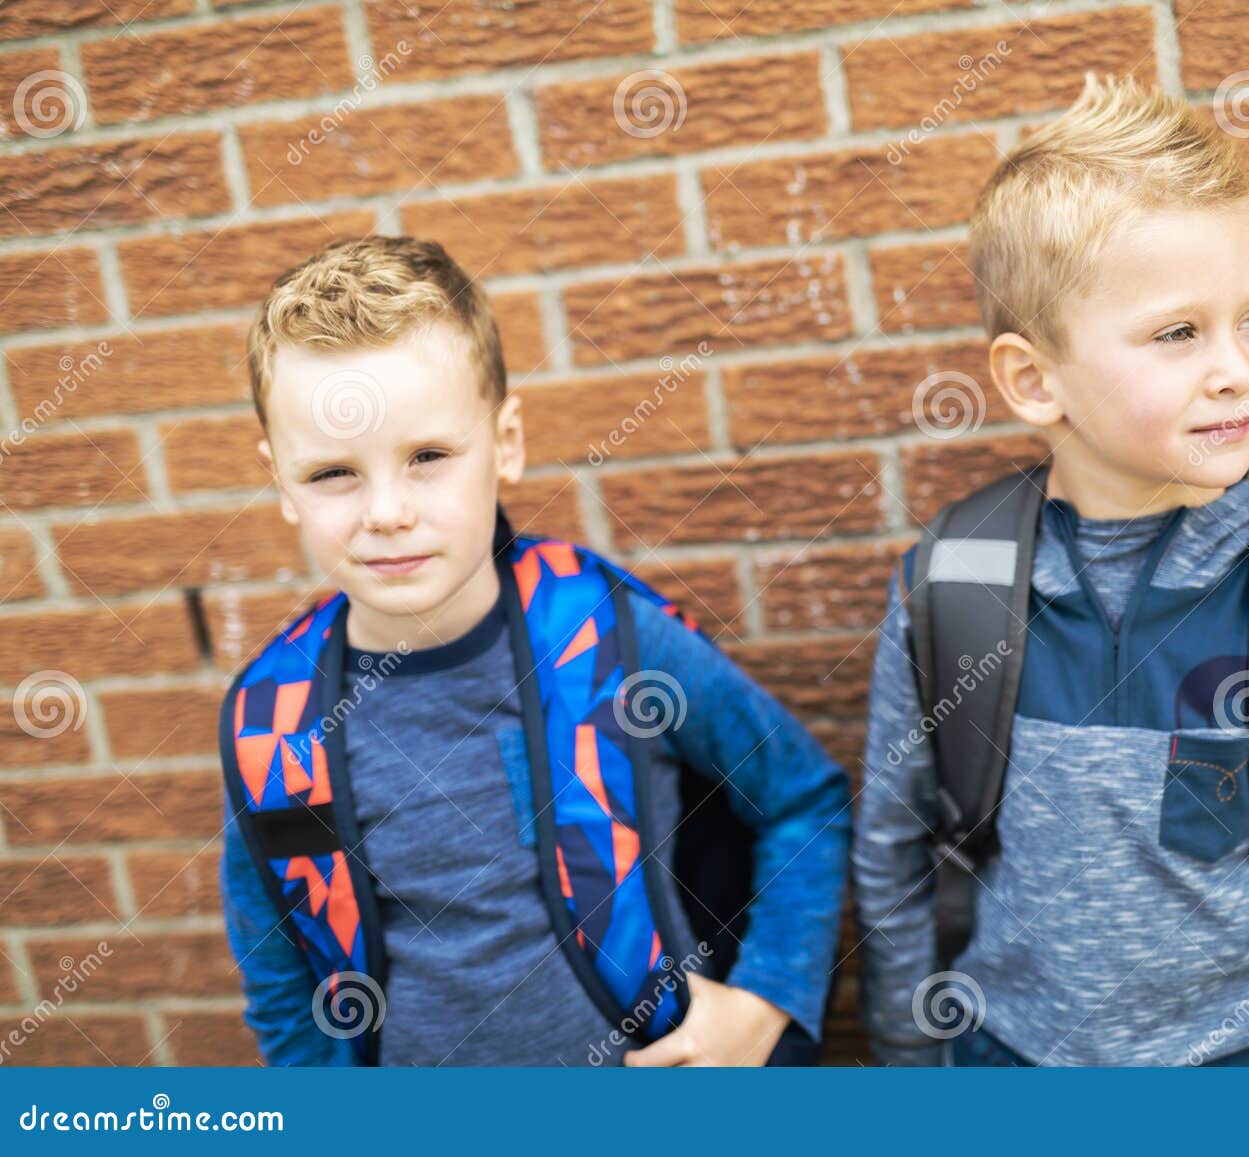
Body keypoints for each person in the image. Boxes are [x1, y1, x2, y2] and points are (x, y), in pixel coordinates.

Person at [852, 74, 1249, 1067]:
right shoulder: (951, 588)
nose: (1237, 368)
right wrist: (912, 1061)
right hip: (1005, 1062)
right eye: (1178, 332)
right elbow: (894, 842)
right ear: (1033, 379)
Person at [219, 236, 850, 1066]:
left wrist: (766, 1002)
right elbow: (280, 984)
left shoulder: (600, 634)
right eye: (334, 472)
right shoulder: (274, 723)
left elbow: (804, 800)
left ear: (506, 442)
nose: (386, 511)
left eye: (429, 457)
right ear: (279, 483)